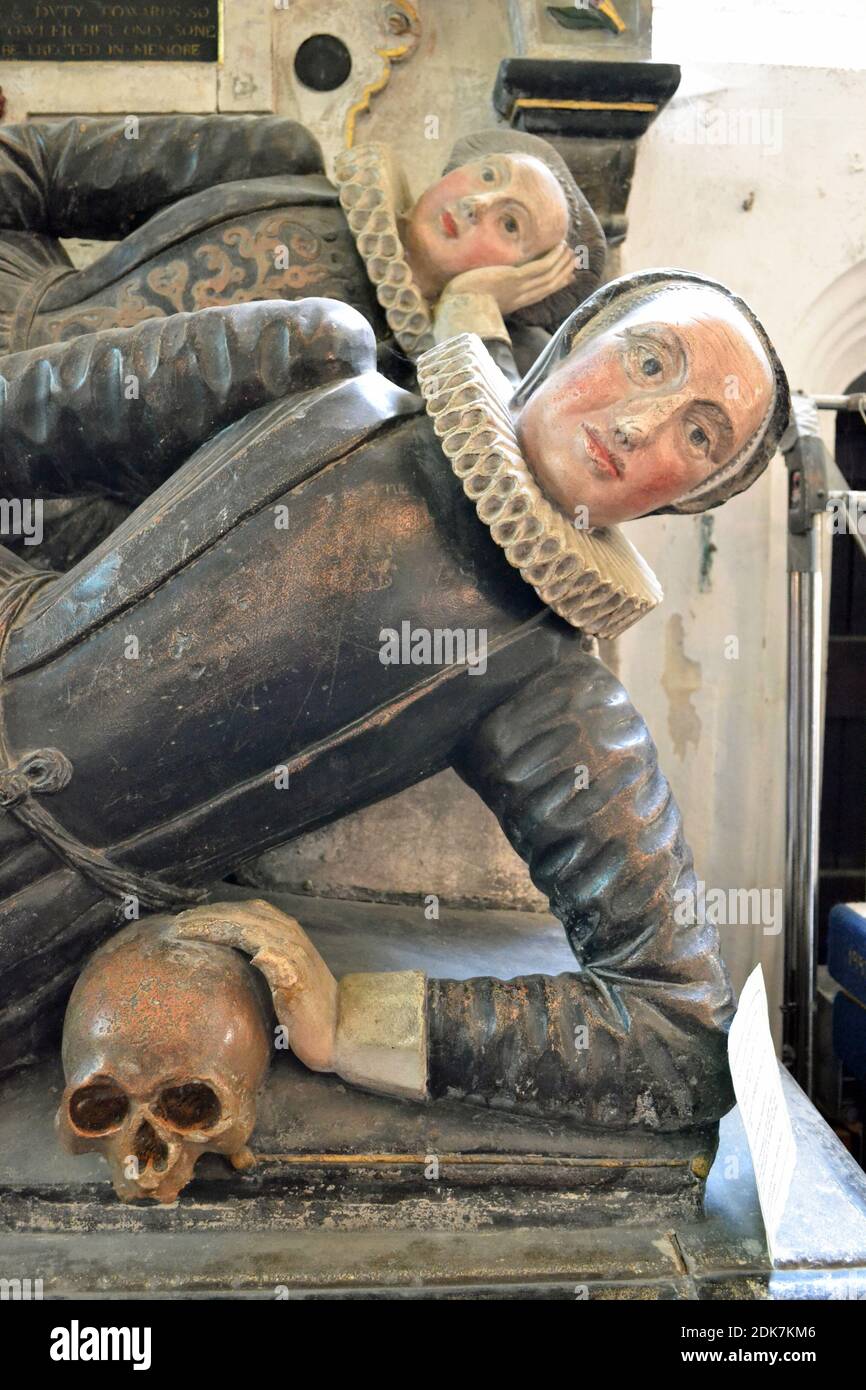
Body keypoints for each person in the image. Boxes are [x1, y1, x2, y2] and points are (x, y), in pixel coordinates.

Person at [0, 271, 789, 1134]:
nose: (641, 425)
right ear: (577, 337)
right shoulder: (313, 361)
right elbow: (28, 412)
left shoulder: (552, 690)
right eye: (647, 362)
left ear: (683, 501)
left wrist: (355, 1023)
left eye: (700, 435)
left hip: (31, 895)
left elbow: (682, 1031)